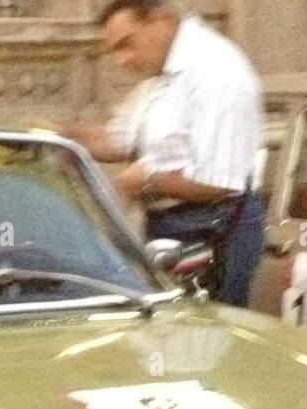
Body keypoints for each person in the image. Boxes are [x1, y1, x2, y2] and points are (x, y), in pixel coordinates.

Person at [55, 0, 265, 307]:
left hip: (213, 230)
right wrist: (55, 134)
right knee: (168, 335)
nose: (121, 60)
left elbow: (219, 182)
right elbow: (119, 139)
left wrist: (144, 182)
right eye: (114, 50)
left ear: (160, 20)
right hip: (171, 227)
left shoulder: (217, 72)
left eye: (127, 44)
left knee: (203, 339)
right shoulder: (160, 77)